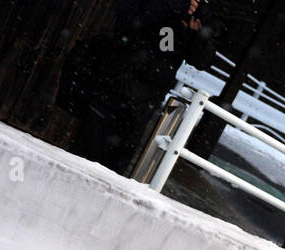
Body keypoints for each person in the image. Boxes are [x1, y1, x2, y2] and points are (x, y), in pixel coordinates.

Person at [57, 0, 217, 174]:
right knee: (83, 156)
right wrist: (171, 7)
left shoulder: (198, 12)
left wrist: (196, 33)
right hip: (111, 88)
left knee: (115, 169)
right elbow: (127, 21)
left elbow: (203, 60)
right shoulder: (160, 8)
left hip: (144, 103)